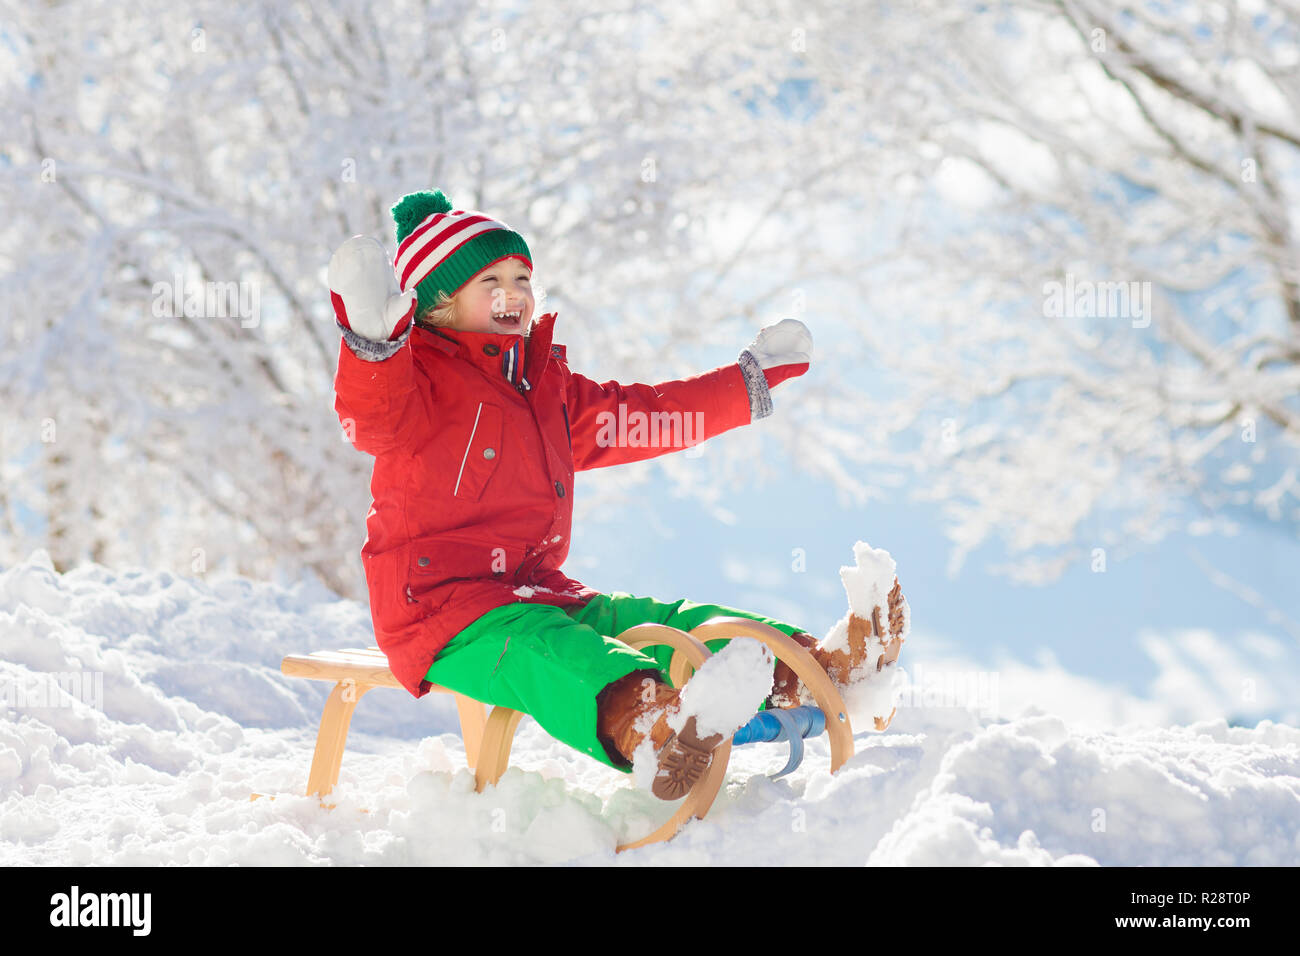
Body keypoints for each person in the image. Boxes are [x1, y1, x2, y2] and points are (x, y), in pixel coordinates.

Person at [328, 188, 905, 800]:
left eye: (522, 276)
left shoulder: (547, 391)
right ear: (439, 304)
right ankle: (655, 725)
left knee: (663, 623)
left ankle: (819, 667)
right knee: (551, 652)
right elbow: (370, 416)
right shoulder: (415, 384)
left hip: (541, 591)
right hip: (440, 611)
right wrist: (372, 344)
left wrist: (745, 386)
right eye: (488, 279)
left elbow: (647, 416)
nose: (513, 292)